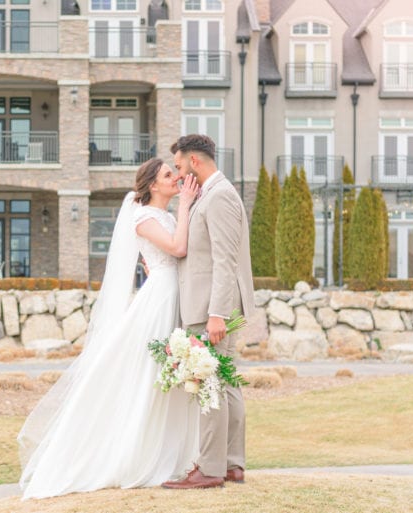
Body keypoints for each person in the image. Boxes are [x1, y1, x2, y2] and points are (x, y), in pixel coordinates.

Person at [18, 158, 200, 500]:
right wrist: (188, 204)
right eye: (167, 175)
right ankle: (134, 454)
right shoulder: (144, 217)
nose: (175, 177)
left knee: (170, 376)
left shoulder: (167, 215)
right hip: (161, 297)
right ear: (152, 186)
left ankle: (172, 451)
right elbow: (177, 248)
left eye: (174, 172)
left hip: (175, 292)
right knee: (150, 374)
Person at [161, 134, 255, 490]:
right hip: (211, 305)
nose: (180, 172)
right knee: (226, 383)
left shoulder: (220, 196)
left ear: (195, 162)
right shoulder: (210, 195)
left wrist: (217, 312)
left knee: (211, 383)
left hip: (214, 307)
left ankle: (211, 470)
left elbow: (225, 260)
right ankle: (231, 465)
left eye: (181, 165)